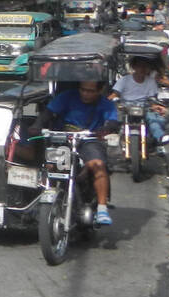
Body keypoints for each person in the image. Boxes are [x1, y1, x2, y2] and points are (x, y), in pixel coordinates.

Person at [40, 79, 121, 226]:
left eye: (90, 91)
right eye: (83, 89)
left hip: (89, 140)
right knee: (50, 167)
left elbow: (112, 121)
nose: (85, 93)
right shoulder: (66, 97)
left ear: (99, 90)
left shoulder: (106, 104)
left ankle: (102, 209)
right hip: (63, 139)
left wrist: (106, 128)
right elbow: (48, 113)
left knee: (97, 164)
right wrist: (37, 125)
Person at [110, 56, 169, 149]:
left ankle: (161, 137)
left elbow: (152, 99)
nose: (143, 69)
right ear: (134, 67)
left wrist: (156, 107)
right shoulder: (124, 80)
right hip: (126, 107)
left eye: (145, 66)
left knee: (153, 120)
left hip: (144, 107)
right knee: (114, 122)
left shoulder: (151, 82)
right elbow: (114, 94)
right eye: (140, 66)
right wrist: (110, 101)